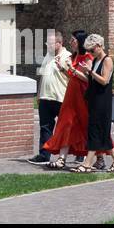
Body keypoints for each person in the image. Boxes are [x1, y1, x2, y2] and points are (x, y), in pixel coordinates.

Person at [72, 35, 114, 173]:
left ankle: (87, 164)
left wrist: (90, 72)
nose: (90, 52)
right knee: (102, 132)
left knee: (95, 131)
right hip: (94, 100)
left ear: (99, 45)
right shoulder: (95, 60)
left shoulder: (107, 61)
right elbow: (92, 81)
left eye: (92, 49)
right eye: (89, 50)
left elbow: (104, 81)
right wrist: (83, 72)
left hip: (103, 101)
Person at [42, 30, 91, 169]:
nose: (71, 42)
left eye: (73, 40)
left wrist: (73, 70)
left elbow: (88, 79)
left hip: (82, 97)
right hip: (70, 96)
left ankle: (97, 157)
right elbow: (72, 77)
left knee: (86, 126)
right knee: (65, 125)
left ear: (80, 41)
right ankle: (61, 159)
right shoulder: (74, 56)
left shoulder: (87, 57)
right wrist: (63, 69)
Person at [31, 30, 71, 164]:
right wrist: (38, 94)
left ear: (59, 43)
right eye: (47, 42)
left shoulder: (68, 57)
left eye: (50, 43)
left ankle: (77, 153)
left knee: (67, 128)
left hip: (61, 99)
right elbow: (42, 76)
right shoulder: (47, 56)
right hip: (45, 98)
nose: (47, 45)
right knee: (45, 127)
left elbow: (73, 78)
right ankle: (44, 155)